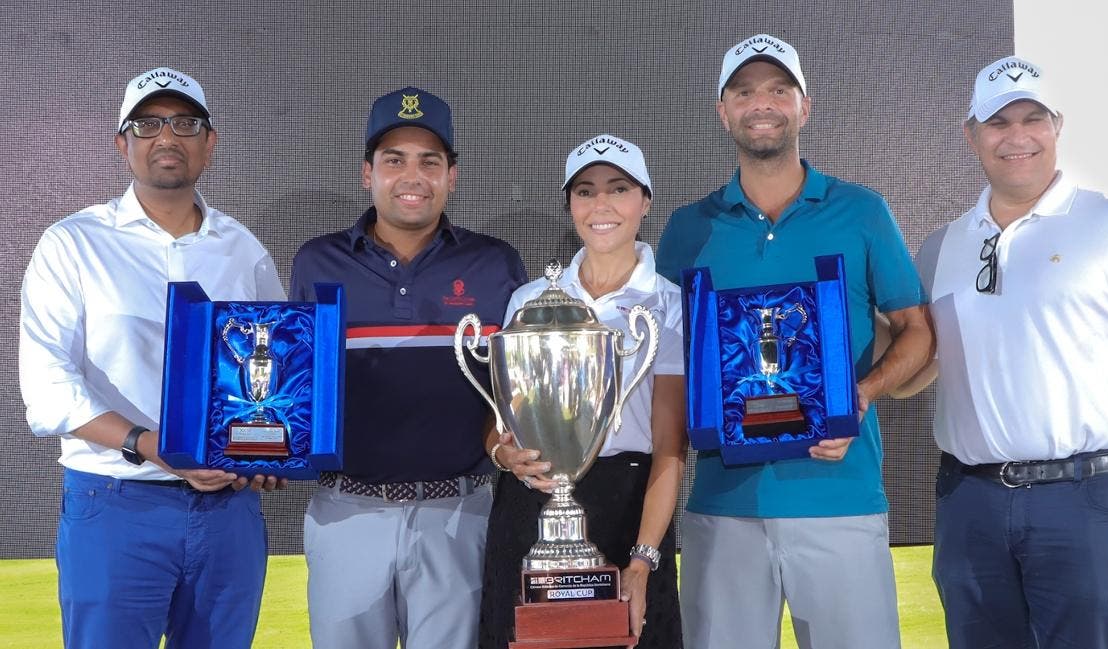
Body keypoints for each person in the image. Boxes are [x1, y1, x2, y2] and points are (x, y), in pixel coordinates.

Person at [897, 55, 1108, 648]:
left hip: (1086, 503)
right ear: (970, 135)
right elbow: (918, 371)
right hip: (970, 504)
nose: (1017, 137)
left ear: (1056, 126)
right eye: (998, 123)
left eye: (1032, 119)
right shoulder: (942, 247)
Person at [655, 34, 933, 648]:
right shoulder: (687, 228)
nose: (763, 104)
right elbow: (665, 361)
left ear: (804, 107)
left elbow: (917, 334)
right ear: (722, 111)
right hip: (722, 504)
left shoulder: (861, 211)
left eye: (780, 89)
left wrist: (859, 396)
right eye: (745, 92)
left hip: (841, 499)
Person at [18, 67, 286, 649]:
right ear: (124, 143)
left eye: (185, 123)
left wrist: (273, 450)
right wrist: (150, 444)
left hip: (227, 510)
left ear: (209, 144)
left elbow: (279, 370)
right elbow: (46, 387)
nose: (167, 137)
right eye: (147, 124)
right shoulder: (73, 243)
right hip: (116, 504)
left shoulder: (242, 250)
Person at [290, 86, 527, 649]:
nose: (411, 176)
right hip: (345, 512)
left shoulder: (495, 264)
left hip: (459, 513)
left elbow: (515, 393)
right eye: (394, 160)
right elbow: (296, 390)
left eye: (429, 161)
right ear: (366, 173)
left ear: (452, 175)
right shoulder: (317, 261)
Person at [479, 135, 686, 648]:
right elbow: (501, 418)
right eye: (585, 192)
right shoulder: (531, 299)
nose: (601, 206)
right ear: (570, 205)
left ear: (645, 201)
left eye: (618, 189)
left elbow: (669, 447)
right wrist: (502, 453)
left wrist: (643, 562)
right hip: (532, 504)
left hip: (631, 509)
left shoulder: (670, 306)